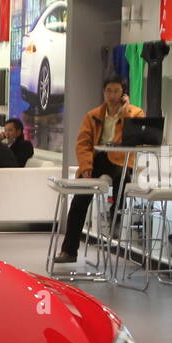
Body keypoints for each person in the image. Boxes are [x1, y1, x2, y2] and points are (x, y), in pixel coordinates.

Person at [54, 75, 145, 262]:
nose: (112, 95)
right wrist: (86, 166)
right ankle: (69, 250)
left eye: (116, 91)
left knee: (122, 178)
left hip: (120, 160)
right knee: (79, 200)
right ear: (104, 92)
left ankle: (115, 217)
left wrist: (124, 110)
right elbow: (83, 144)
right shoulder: (93, 115)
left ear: (123, 93)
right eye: (109, 91)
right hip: (97, 159)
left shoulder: (134, 113)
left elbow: (136, 139)